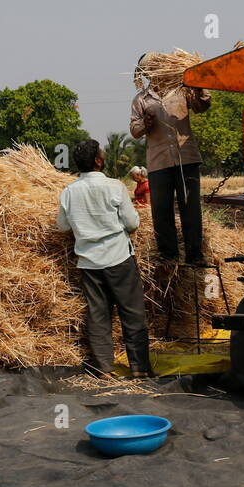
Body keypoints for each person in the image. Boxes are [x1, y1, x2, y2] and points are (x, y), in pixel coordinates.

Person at [56, 139, 153, 378]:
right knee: (132, 312)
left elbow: (61, 226)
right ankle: (139, 368)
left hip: (89, 262)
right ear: (98, 161)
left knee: (98, 315)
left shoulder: (69, 191)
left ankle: (104, 369)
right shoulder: (114, 186)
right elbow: (131, 223)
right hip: (119, 257)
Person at [130, 57, 211, 266]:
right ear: (146, 73)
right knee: (161, 211)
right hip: (158, 163)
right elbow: (134, 130)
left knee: (190, 209)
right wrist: (145, 124)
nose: (154, 71)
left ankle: (195, 255)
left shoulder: (182, 91)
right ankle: (168, 255)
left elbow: (202, 106)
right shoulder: (141, 99)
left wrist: (199, 85)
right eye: (149, 69)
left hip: (187, 159)